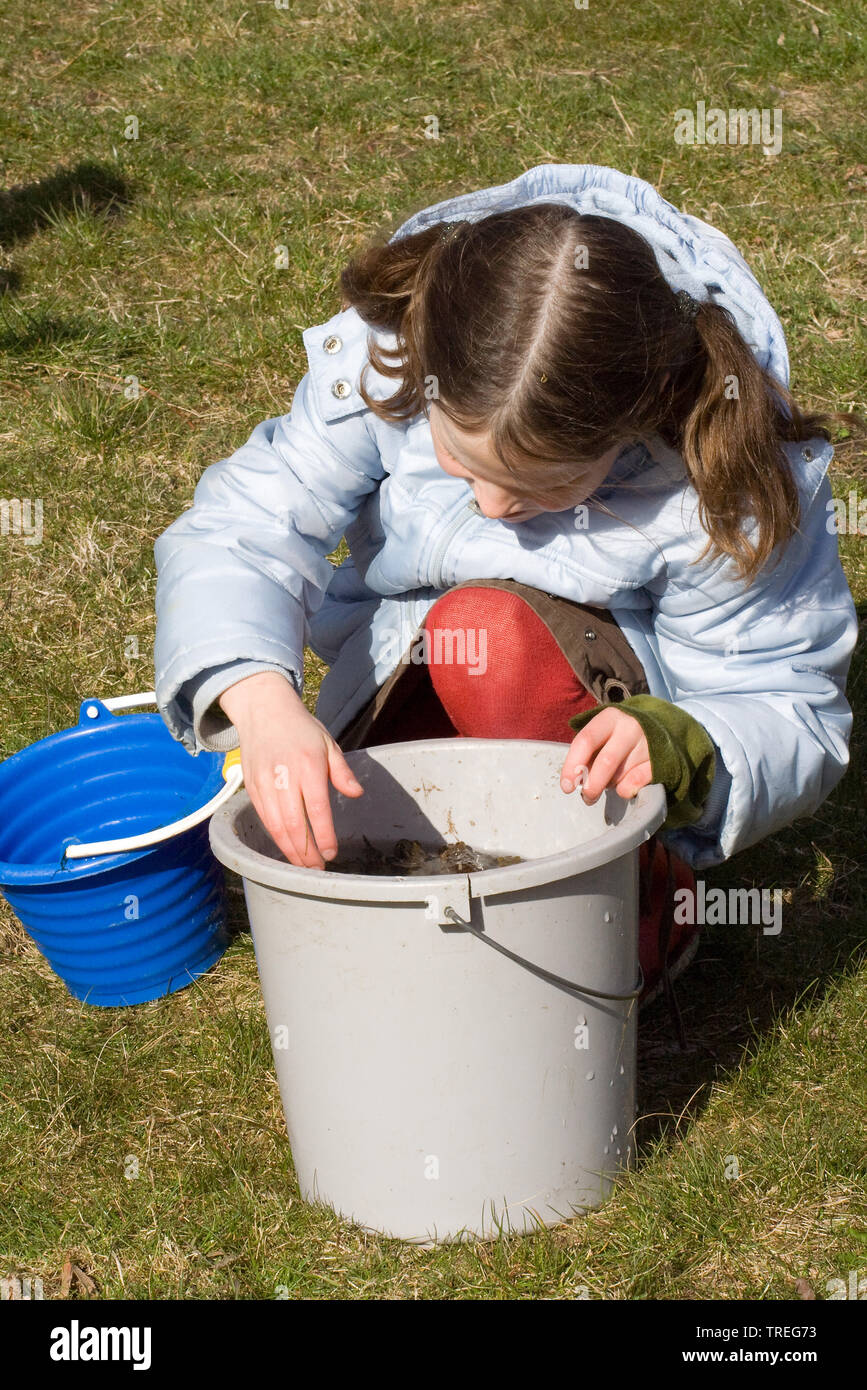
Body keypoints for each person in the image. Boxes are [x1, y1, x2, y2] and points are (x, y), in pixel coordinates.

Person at [152, 164, 857, 1007]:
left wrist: (680, 745)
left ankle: (634, 904)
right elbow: (246, 527)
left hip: (587, 731)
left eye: (544, 487)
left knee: (489, 640)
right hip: (405, 666)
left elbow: (788, 702)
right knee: (342, 838)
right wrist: (264, 706)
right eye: (460, 462)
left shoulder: (724, 476)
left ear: (637, 421)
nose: (492, 507)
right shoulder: (391, 362)